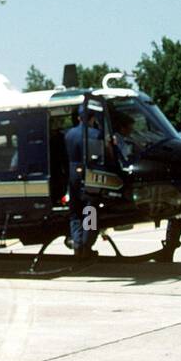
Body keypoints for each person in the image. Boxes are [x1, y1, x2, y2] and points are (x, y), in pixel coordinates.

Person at [63, 110, 103, 257]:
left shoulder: (68, 134)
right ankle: (87, 244)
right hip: (90, 173)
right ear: (92, 118)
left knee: (74, 212)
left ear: (79, 118)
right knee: (90, 211)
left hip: (73, 173)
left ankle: (77, 243)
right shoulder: (96, 134)